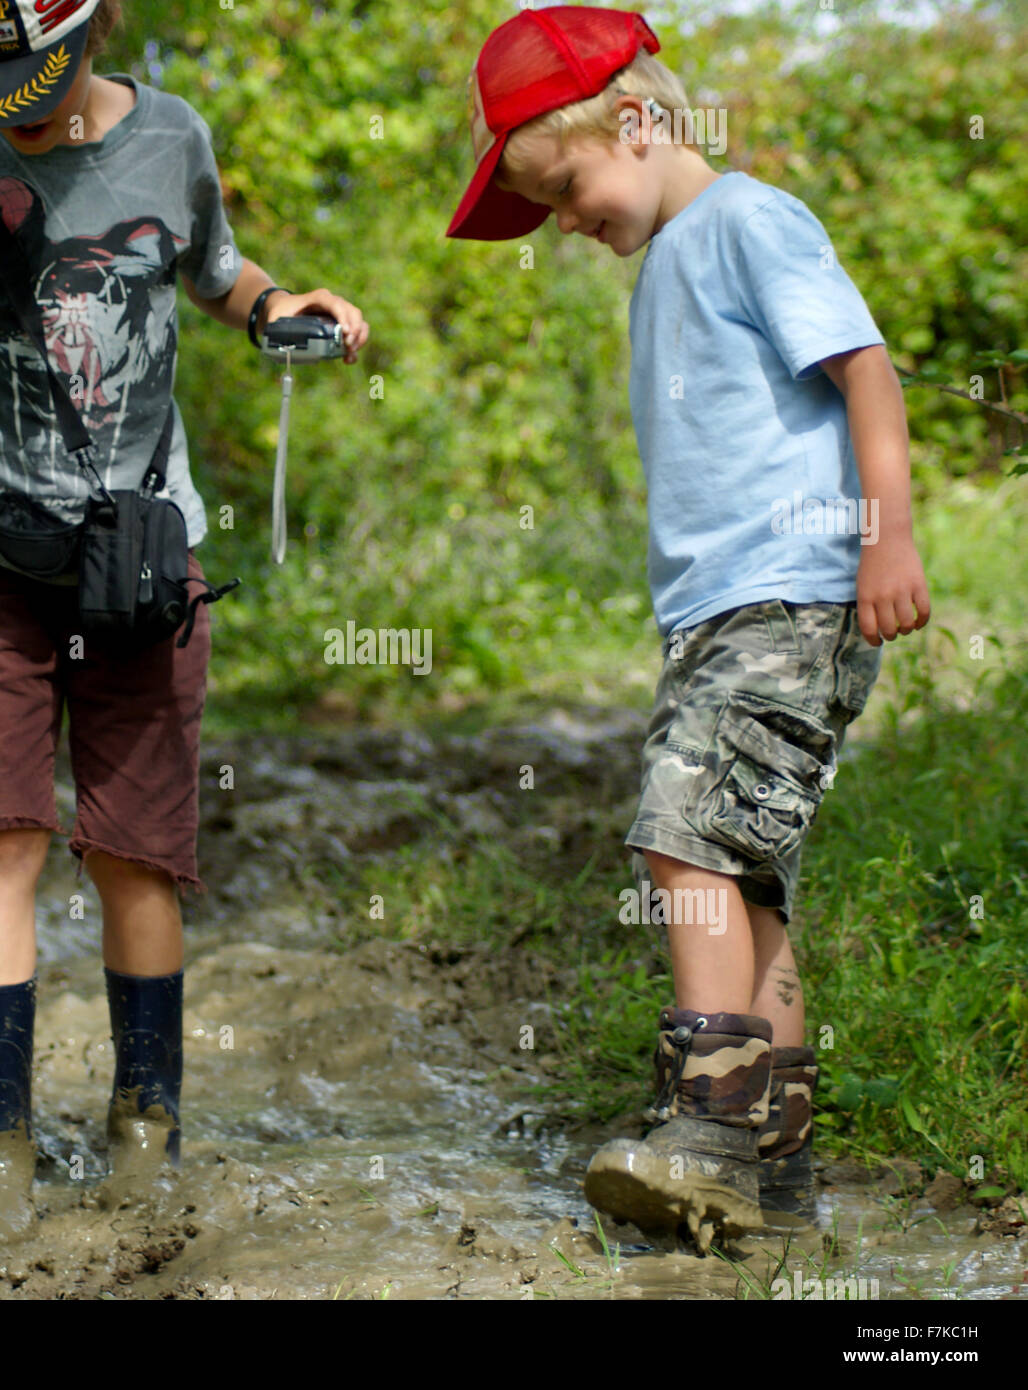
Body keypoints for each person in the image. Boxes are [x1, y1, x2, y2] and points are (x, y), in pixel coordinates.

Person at [0, 0, 368, 1246]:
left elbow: (218, 274)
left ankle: (144, 1135)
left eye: (34, 84)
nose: (11, 113)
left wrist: (280, 306)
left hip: (139, 555)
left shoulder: (172, 138)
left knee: (136, 855)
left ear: (93, 32)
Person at [446, 5, 929, 1251]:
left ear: (637, 123)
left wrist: (887, 536)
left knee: (682, 841)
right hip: (724, 612)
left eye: (565, 191)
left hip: (790, 593)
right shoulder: (671, 255)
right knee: (745, 880)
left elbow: (865, 370)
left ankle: (706, 1134)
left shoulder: (746, 220)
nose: (565, 223)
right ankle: (775, 1178)